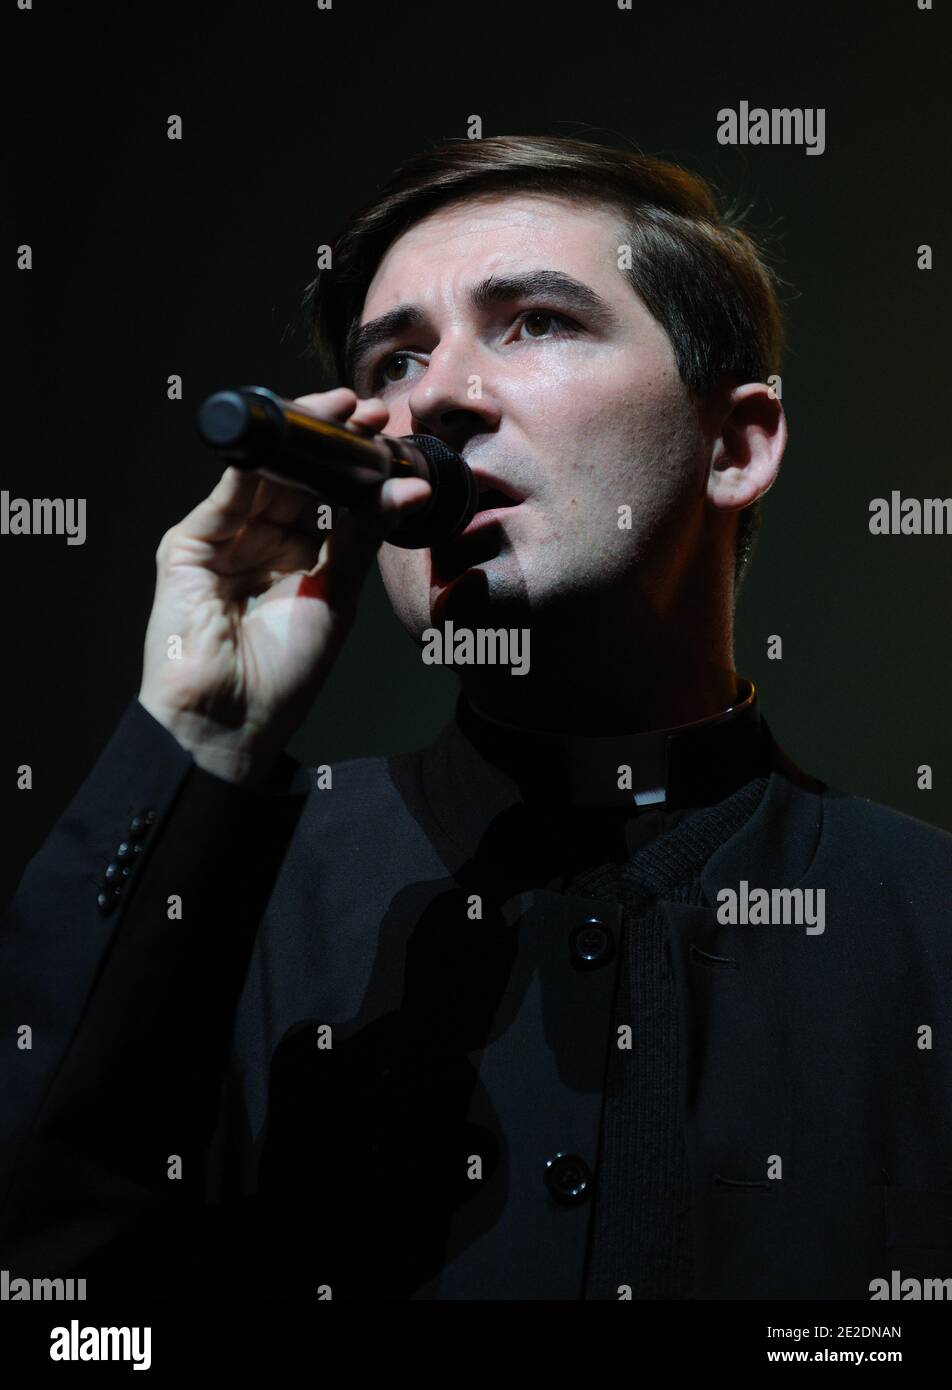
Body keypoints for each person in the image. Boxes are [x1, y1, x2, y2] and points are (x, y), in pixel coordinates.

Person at [2, 135, 950, 1302]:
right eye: (394, 360)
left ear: (735, 447)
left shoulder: (929, 925)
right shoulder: (233, 892)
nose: (437, 398)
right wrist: (196, 734)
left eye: (535, 322)